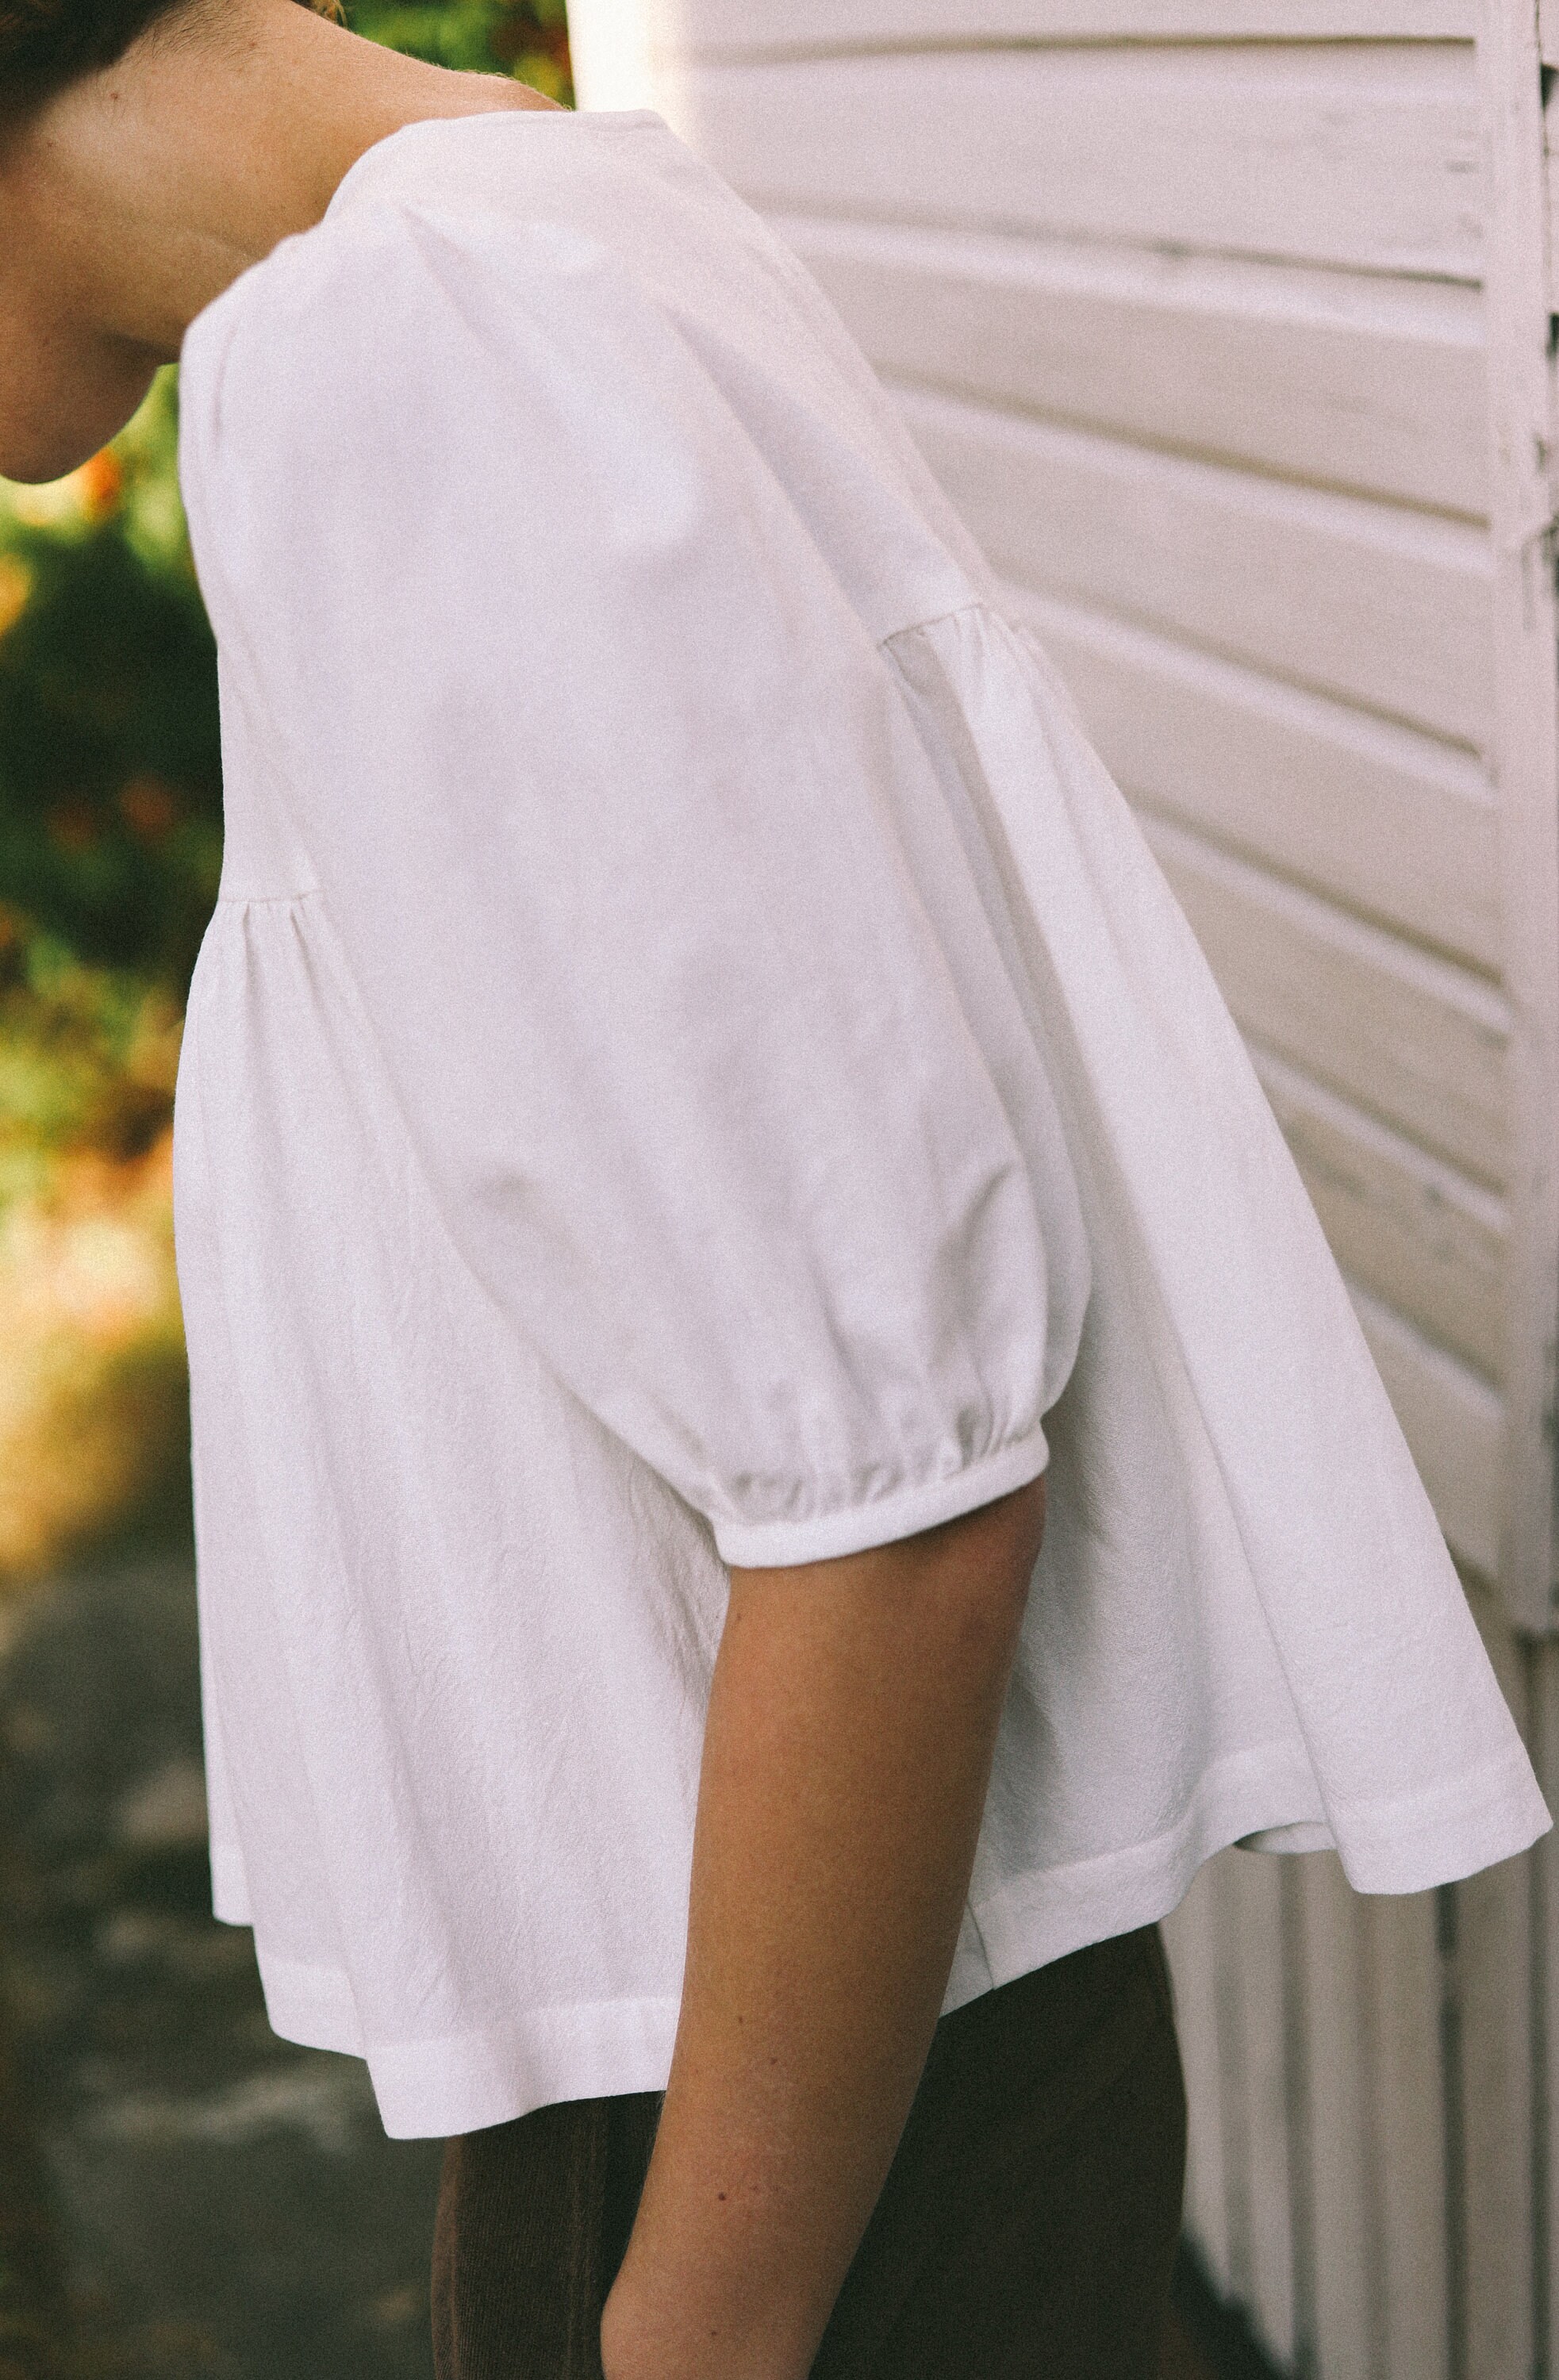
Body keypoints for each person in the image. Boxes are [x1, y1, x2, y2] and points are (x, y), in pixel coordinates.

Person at [1, 3, 1548, 2374]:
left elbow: (895, 1502)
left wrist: (695, 2327)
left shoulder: (417, 350)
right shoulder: (543, 234)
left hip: (761, 2109)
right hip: (849, 2015)